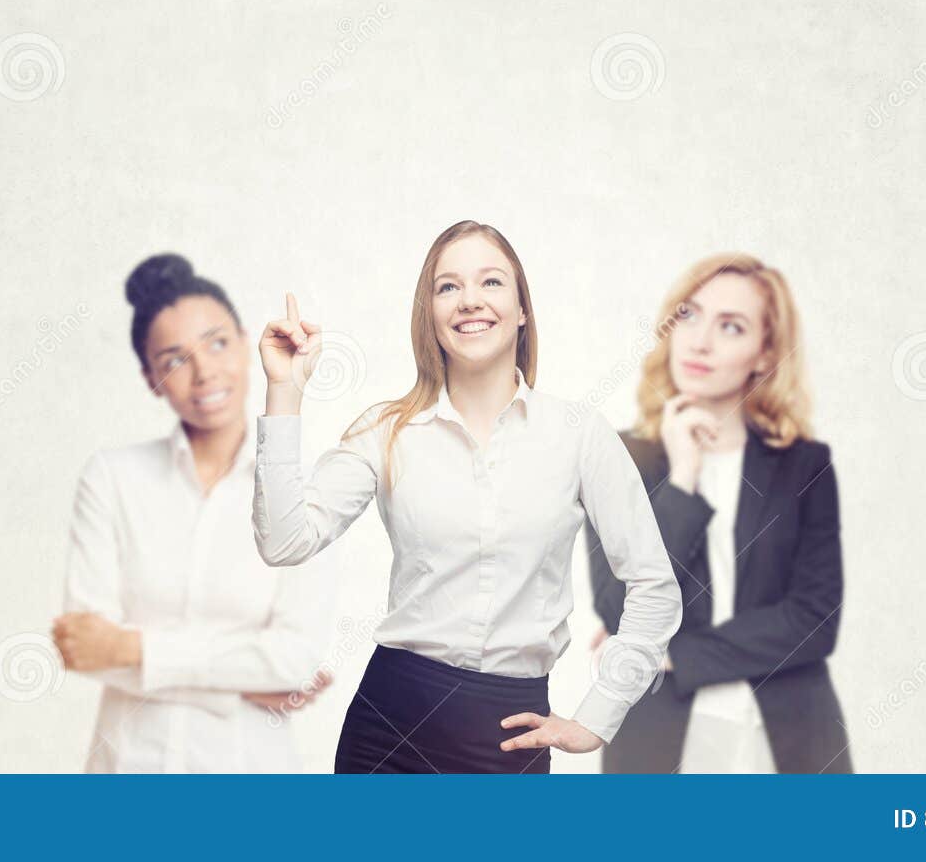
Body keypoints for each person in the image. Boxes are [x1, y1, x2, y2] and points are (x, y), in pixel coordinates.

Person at [252, 220, 682, 773]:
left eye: (491, 282)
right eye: (448, 286)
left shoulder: (578, 434)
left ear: (522, 309)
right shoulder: (387, 430)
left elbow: (654, 586)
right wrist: (284, 389)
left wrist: (599, 716)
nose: (469, 301)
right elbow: (284, 542)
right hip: (387, 729)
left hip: (507, 738)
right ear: (428, 314)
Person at [53, 254, 331, 773]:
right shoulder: (113, 478)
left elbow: (296, 660)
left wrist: (134, 651)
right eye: (174, 360)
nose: (203, 373)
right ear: (149, 376)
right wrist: (246, 679)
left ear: (247, 344)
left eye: (218, 343)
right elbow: (84, 646)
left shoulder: (303, 490)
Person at [587, 253, 851, 773]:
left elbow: (814, 621)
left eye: (731, 326)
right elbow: (620, 608)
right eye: (688, 315)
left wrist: (676, 655)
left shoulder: (804, 466)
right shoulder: (617, 459)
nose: (700, 340)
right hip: (659, 741)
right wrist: (683, 478)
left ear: (764, 352)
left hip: (789, 739)